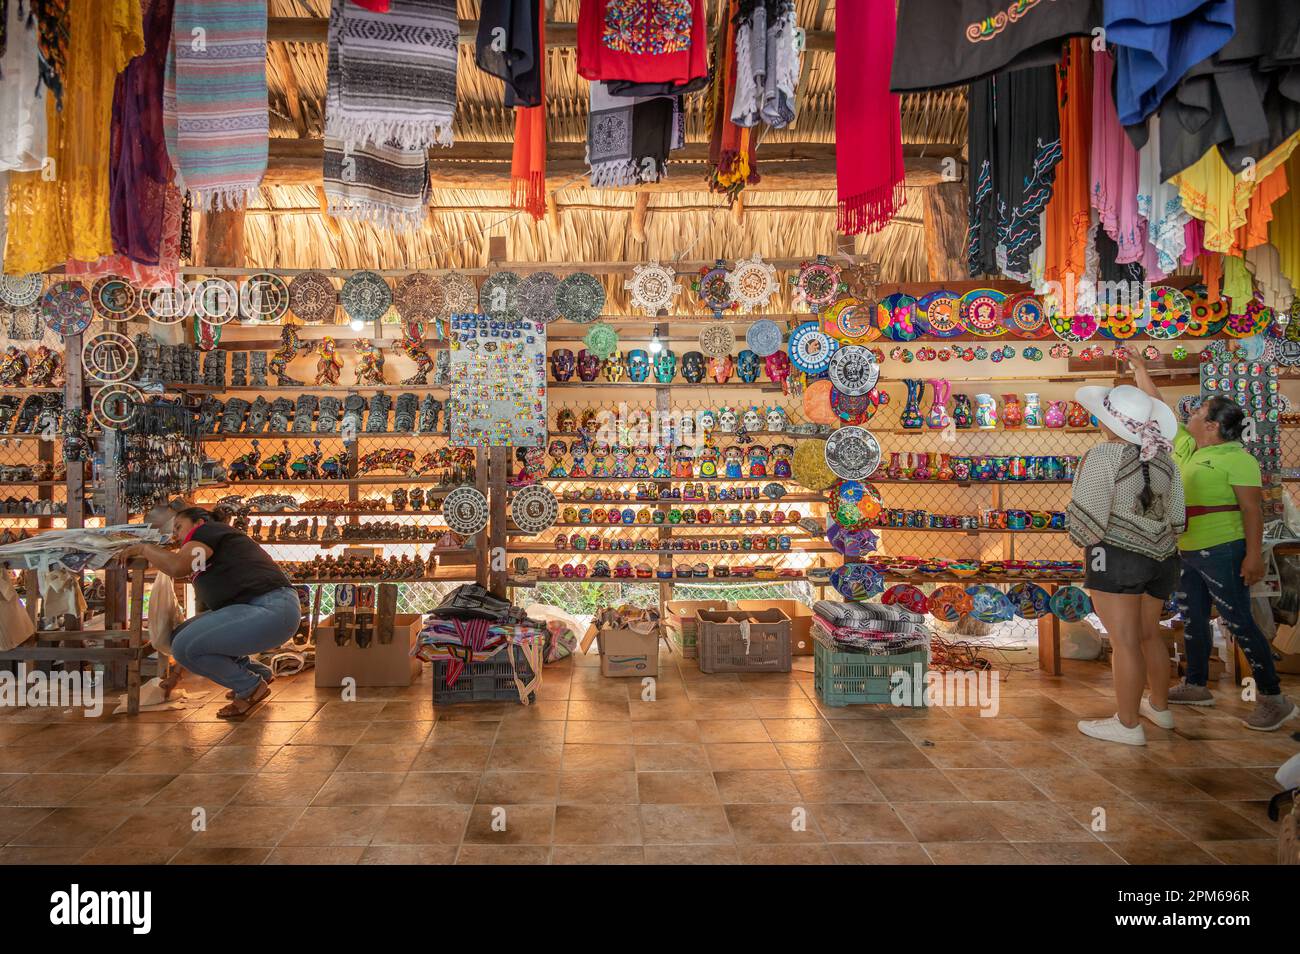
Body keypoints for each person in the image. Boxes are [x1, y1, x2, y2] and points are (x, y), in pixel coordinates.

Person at [1128, 354, 1297, 731]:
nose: (1190, 412)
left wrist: (1253, 556)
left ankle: (1274, 698)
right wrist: (1141, 369)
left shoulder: (1238, 459)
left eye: (1199, 410)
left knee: (1238, 620)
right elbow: (1158, 406)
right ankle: (1195, 684)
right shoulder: (1189, 447)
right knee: (1192, 617)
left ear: (1213, 425)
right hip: (1187, 548)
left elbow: (1252, 511)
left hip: (1223, 548)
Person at [1067, 383, 1185, 746]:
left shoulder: (1103, 455)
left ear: (1109, 421)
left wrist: (1082, 539)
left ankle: (1128, 724)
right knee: (1149, 634)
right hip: (1163, 557)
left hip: (1117, 558)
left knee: (1124, 641)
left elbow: (1087, 519)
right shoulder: (1164, 458)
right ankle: (1159, 707)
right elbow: (1177, 518)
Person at [119, 505, 300, 718]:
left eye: (179, 527)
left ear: (199, 523)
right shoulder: (205, 560)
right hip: (259, 610)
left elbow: (176, 567)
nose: (176, 535)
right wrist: (175, 676)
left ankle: (249, 686)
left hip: (272, 609)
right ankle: (256, 673)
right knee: (178, 637)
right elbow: (196, 640)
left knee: (183, 644)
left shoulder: (206, 531)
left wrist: (144, 549)